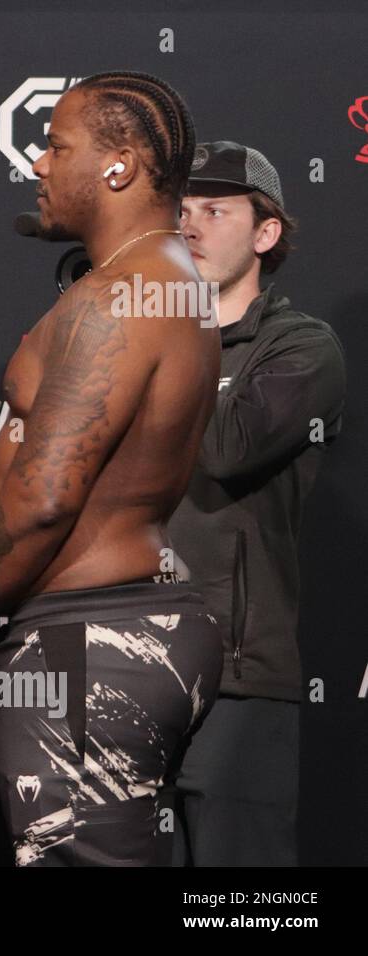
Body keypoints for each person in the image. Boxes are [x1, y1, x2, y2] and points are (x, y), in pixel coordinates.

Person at [0, 71, 223, 866]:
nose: (38, 164)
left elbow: (46, 496)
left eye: (58, 146)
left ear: (120, 166)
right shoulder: (171, 284)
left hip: (91, 642)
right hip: (123, 631)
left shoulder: (123, 295)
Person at [168, 141, 346, 866]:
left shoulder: (300, 348)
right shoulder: (130, 340)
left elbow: (223, 450)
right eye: (178, 212)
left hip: (235, 677)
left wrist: (171, 330)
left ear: (266, 233)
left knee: (245, 912)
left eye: (215, 210)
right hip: (121, 670)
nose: (191, 227)